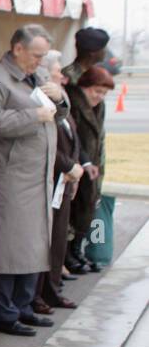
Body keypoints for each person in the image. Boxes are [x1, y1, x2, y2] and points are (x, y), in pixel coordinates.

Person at [0, 24, 58, 337]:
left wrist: (59, 97)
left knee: (33, 244)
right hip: (11, 177)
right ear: (18, 49)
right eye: (36, 55)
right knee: (9, 246)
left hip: (37, 175)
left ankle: (24, 306)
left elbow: (56, 113)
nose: (40, 62)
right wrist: (35, 116)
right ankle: (3, 313)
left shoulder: (36, 77)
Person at [31, 51, 82, 314]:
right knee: (48, 239)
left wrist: (76, 165)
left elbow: (73, 136)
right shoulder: (40, 102)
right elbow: (47, 143)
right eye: (56, 73)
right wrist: (68, 165)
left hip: (64, 179)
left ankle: (52, 288)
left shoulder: (61, 101)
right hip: (49, 179)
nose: (62, 76)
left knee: (59, 238)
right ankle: (41, 293)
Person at [65, 32, 112, 273]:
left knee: (87, 203)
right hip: (76, 152)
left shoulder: (94, 76)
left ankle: (77, 251)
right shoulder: (70, 79)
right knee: (74, 205)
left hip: (92, 152)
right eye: (104, 49)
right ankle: (68, 254)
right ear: (95, 52)